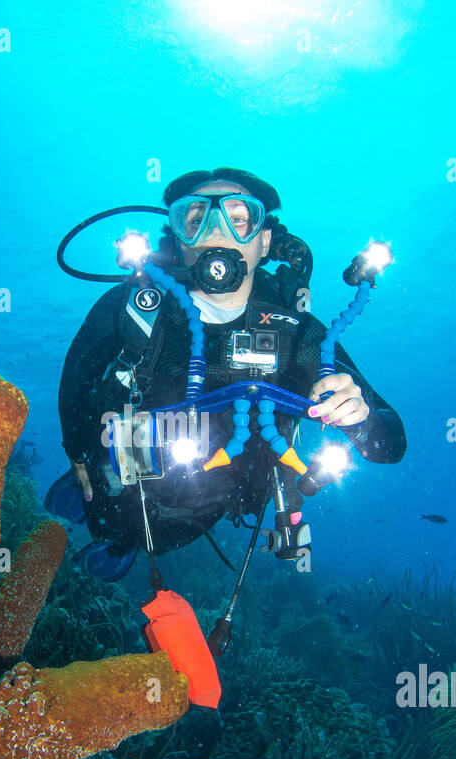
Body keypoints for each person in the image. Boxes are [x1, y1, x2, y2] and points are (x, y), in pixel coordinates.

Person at [52, 167, 406, 580]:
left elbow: (390, 446)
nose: (216, 230)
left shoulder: (301, 335)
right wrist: (76, 454)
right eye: (196, 217)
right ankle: (105, 529)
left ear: (265, 240)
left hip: (211, 509)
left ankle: (121, 546)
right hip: (118, 487)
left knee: (136, 542)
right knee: (103, 518)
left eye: (239, 218)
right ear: (177, 238)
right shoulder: (132, 308)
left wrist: (359, 417)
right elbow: (74, 382)